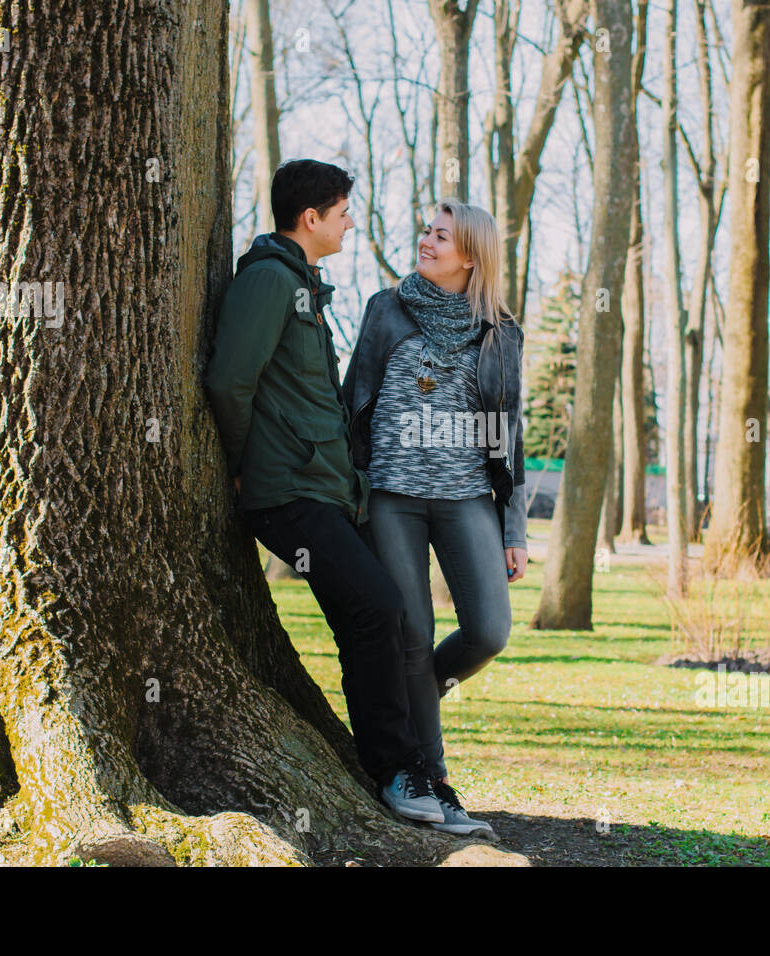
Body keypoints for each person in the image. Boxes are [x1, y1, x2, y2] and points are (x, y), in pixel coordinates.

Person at [204, 159, 442, 824]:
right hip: (286, 494)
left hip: (330, 492)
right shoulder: (269, 283)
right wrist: (239, 462)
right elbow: (229, 381)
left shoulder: (303, 285)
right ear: (310, 218)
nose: (349, 223)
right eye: (342, 212)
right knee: (377, 608)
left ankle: (413, 772)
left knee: (386, 619)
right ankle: (396, 773)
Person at [343, 199, 528, 839]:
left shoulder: (500, 330)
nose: (427, 241)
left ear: (471, 255)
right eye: (425, 230)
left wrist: (514, 530)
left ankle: (418, 695)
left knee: (489, 632)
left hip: (469, 498)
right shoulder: (384, 309)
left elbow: (509, 433)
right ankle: (433, 778)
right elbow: (353, 402)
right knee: (412, 638)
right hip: (391, 496)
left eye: (441, 236)